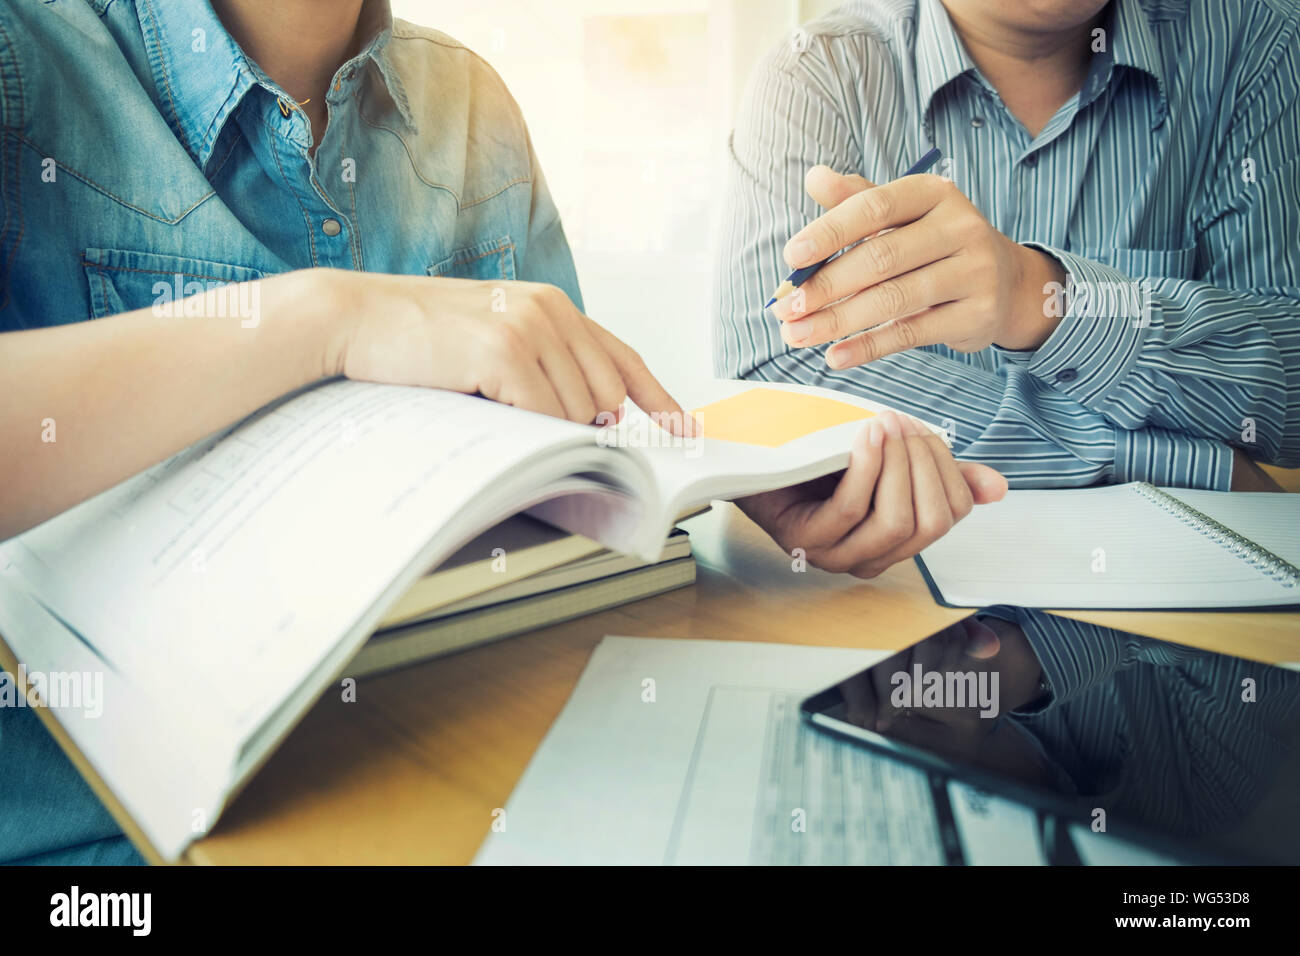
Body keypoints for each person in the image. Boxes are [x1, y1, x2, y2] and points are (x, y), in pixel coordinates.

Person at [0, 1, 1003, 864]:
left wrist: (717, 482)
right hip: (105, 846)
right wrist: (328, 320)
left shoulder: (468, 106)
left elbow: (559, 456)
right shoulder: (25, 58)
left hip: (445, 776)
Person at [717, 0, 1299, 570]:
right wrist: (1185, 465)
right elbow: (775, 375)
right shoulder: (820, 72)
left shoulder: (1260, 43)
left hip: (1185, 612)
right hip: (899, 596)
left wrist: (1039, 297)